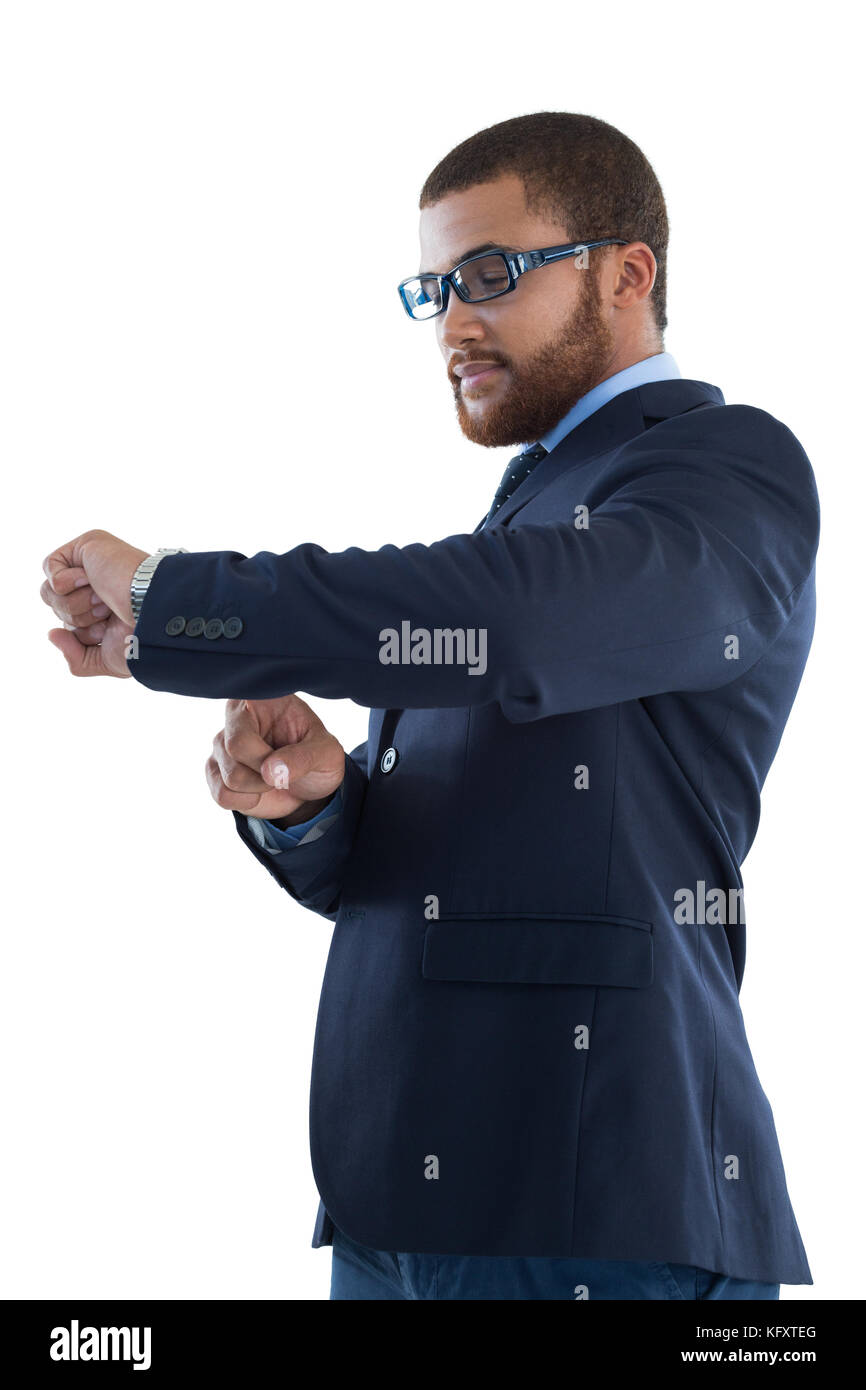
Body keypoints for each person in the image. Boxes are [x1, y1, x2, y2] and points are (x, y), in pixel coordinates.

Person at [41, 111, 819, 1300]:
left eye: (490, 275)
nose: (452, 321)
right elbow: (471, 857)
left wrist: (176, 598)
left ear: (626, 273)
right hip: (395, 1201)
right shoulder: (526, 513)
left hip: (593, 1200)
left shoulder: (725, 467)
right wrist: (318, 807)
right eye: (432, 290)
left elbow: (518, 620)